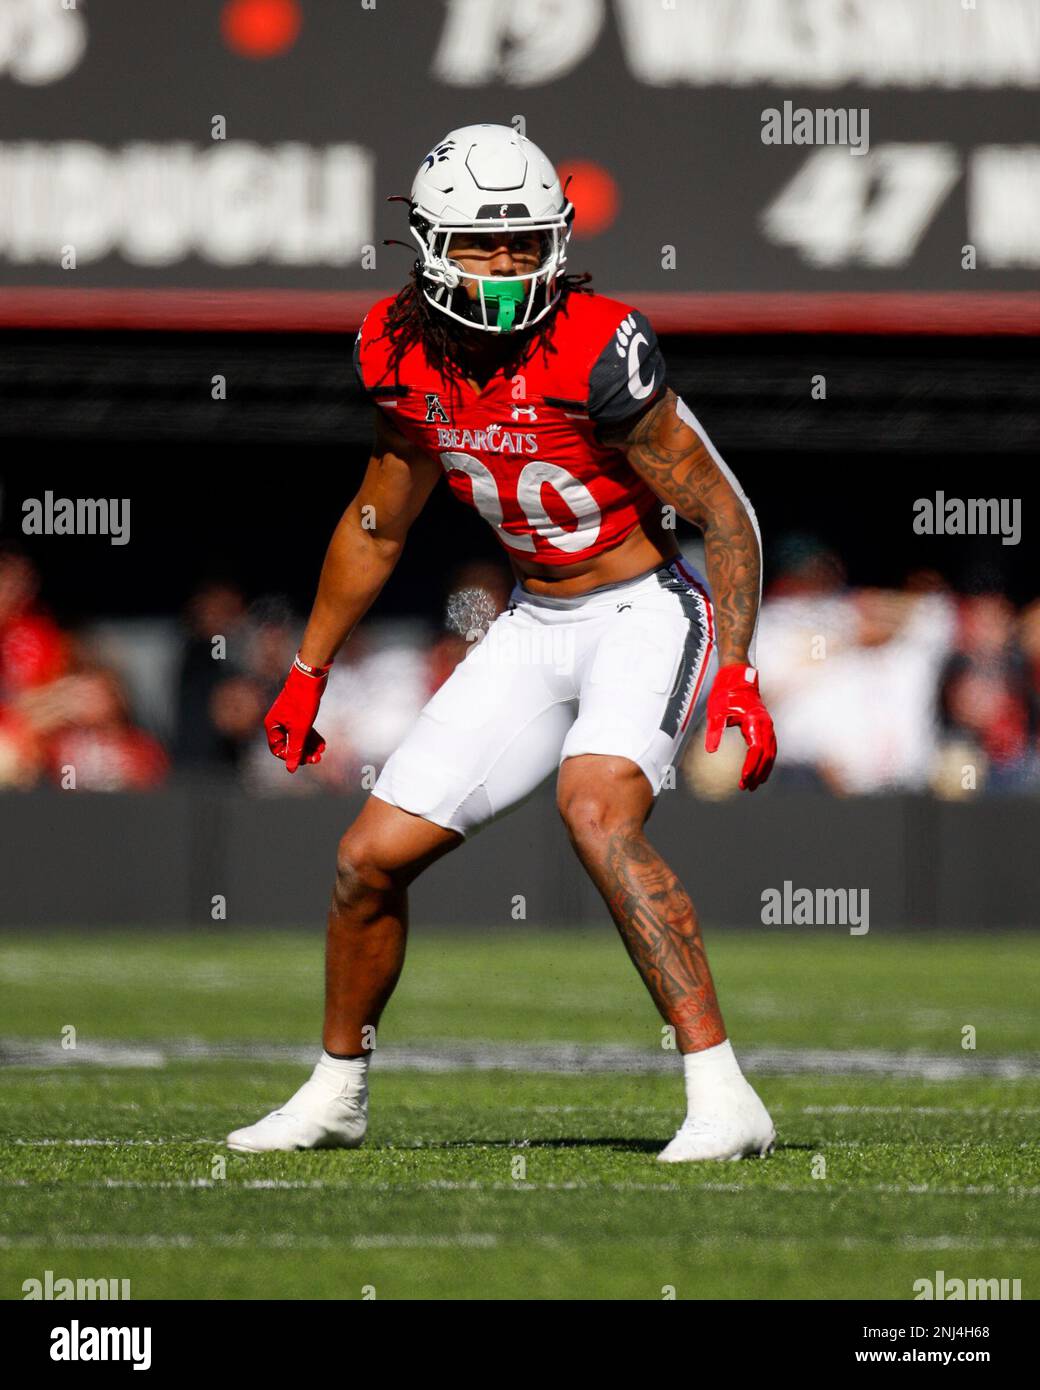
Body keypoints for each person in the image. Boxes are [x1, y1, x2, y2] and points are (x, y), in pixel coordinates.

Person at [227, 125, 777, 1162]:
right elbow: (378, 521)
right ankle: (336, 1092)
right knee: (363, 863)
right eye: (482, 247)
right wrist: (307, 668)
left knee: (594, 810)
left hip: (641, 607)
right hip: (532, 621)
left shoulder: (597, 346)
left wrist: (739, 670)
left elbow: (724, 513)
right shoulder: (392, 349)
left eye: (523, 245)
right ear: (429, 244)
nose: (505, 268)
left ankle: (721, 1093)